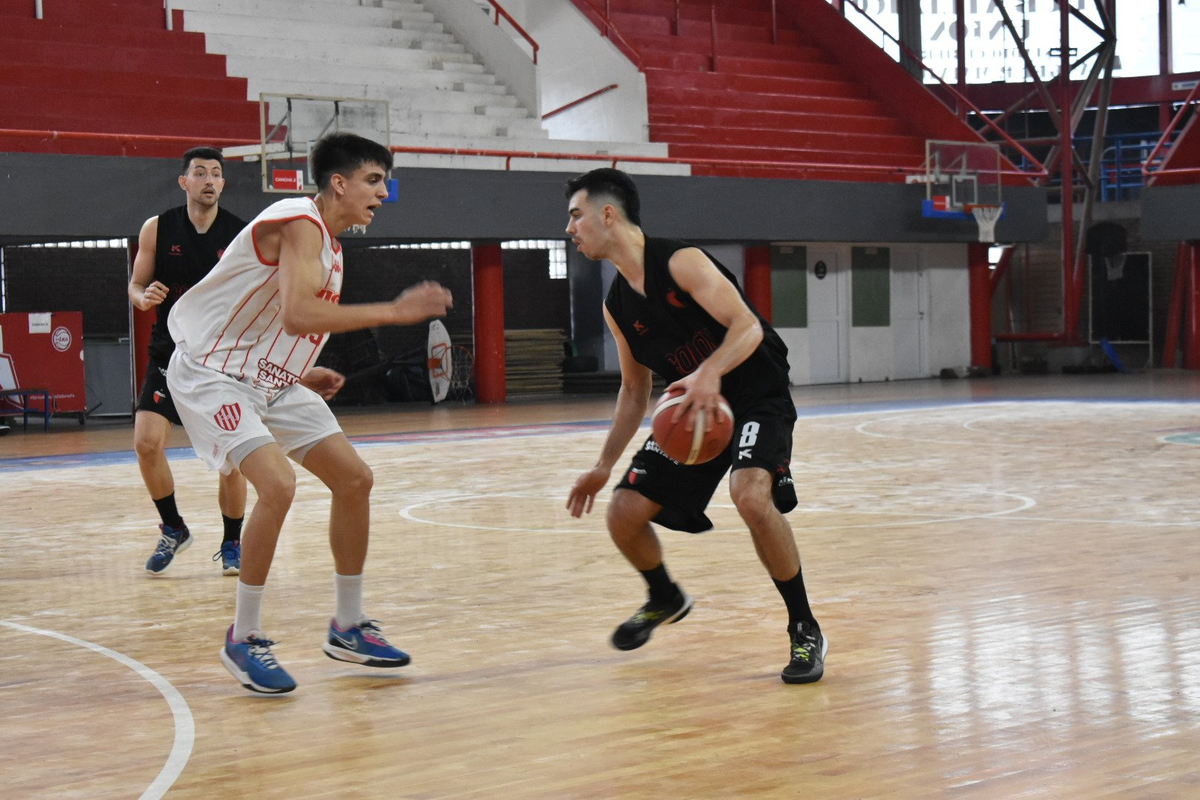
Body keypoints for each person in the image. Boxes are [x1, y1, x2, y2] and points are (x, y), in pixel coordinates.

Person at [167, 132, 453, 694]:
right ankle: (243, 636)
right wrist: (396, 312)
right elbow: (299, 313)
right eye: (374, 181)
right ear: (339, 183)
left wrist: (298, 371)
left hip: (268, 379)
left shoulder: (332, 247)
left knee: (355, 479)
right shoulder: (300, 219)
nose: (383, 193)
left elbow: (273, 320)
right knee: (277, 486)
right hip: (211, 376)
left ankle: (347, 626)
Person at [563, 168, 826, 684]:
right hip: (694, 411)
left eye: (576, 215)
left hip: (754, 394)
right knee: (622, 512)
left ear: (607, 214)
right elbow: (635, 390)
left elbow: (747, 326)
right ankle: (664, 596)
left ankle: (805, 627)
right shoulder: (617, 305)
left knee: (750, 496)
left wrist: (709, 372)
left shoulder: (679, 260)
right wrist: (602, 465)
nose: (570, 228)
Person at [128, 147, 248, 577]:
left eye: (216, 173)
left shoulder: (239, 234)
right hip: (169, 353)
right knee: (146, 443)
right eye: (200, 173)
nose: (209, 180)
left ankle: (232, 542)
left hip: (218, 362)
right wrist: (144, 297)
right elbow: (137, 285)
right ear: (185, 182)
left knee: (231, 459)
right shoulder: (157, 229)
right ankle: (173, 527)